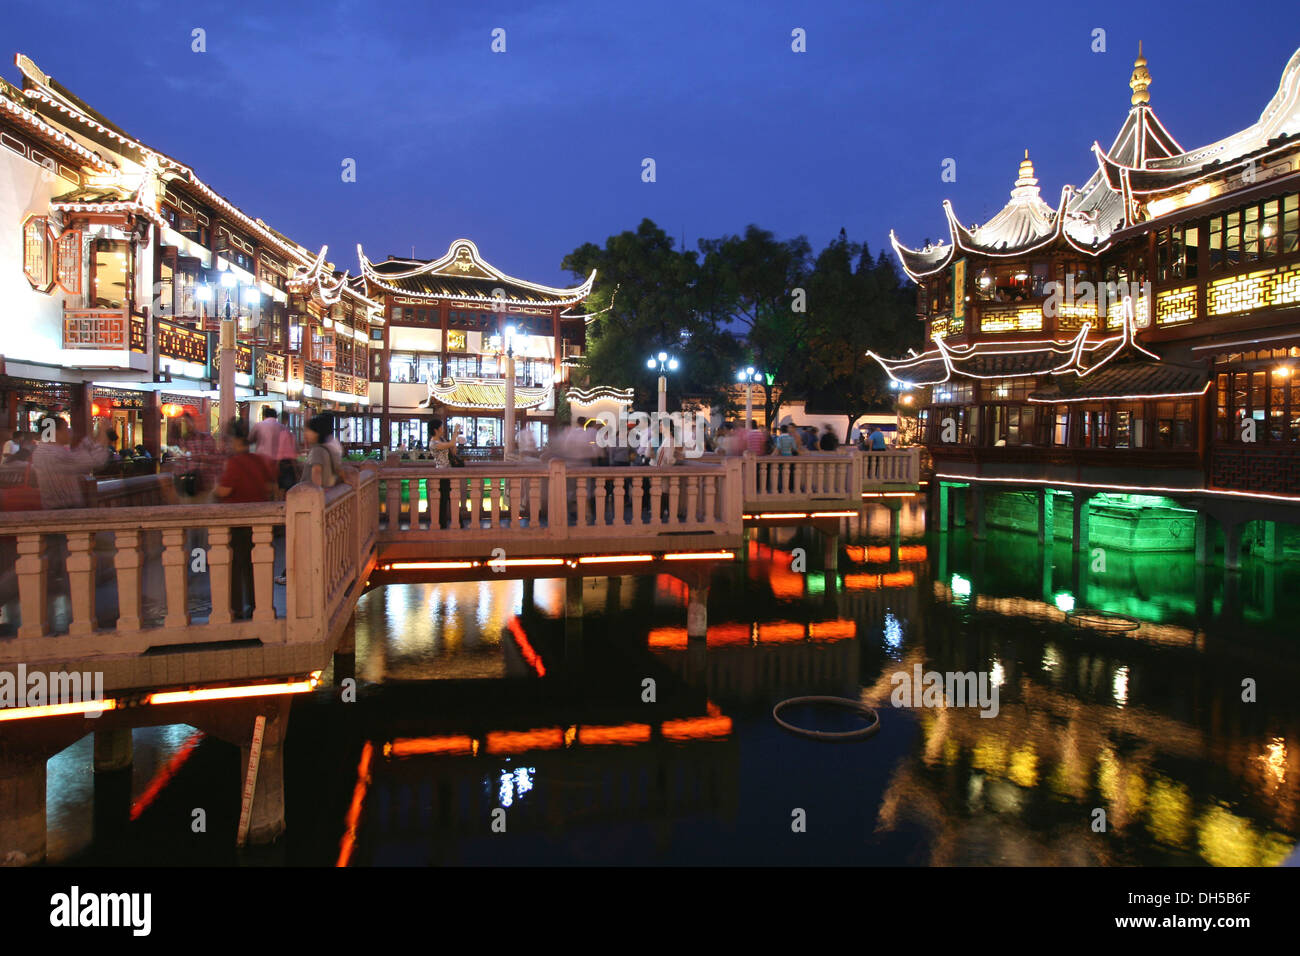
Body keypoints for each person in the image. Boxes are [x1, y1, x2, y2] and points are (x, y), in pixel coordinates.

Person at [213, 419, 273, 620]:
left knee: (235, 566)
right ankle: (259, 605)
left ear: (235, 440)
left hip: (238, 521)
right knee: (254, 566)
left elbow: (225, 490)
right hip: (259, 522)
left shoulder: (235, 463)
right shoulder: (259, 460)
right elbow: (269, 487)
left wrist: (213, 488)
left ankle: (235, 609)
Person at [304, 413, 340, 488]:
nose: (305, 434)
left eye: (308, 431)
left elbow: (316, 473)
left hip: (311, 495)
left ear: (317, 433)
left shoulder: (317, 451)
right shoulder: (328, 448)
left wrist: (317, 494)